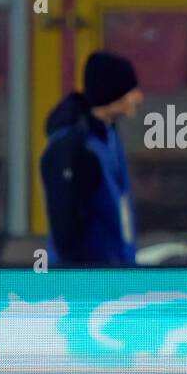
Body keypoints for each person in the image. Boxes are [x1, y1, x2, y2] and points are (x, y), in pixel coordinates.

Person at [40, 51, 144, 267]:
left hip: (113, 278)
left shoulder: (108, 137)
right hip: (86, 287)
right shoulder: (72, 150)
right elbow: (66, 230)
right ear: (112, 93)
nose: (138, 97)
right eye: (130, 90)